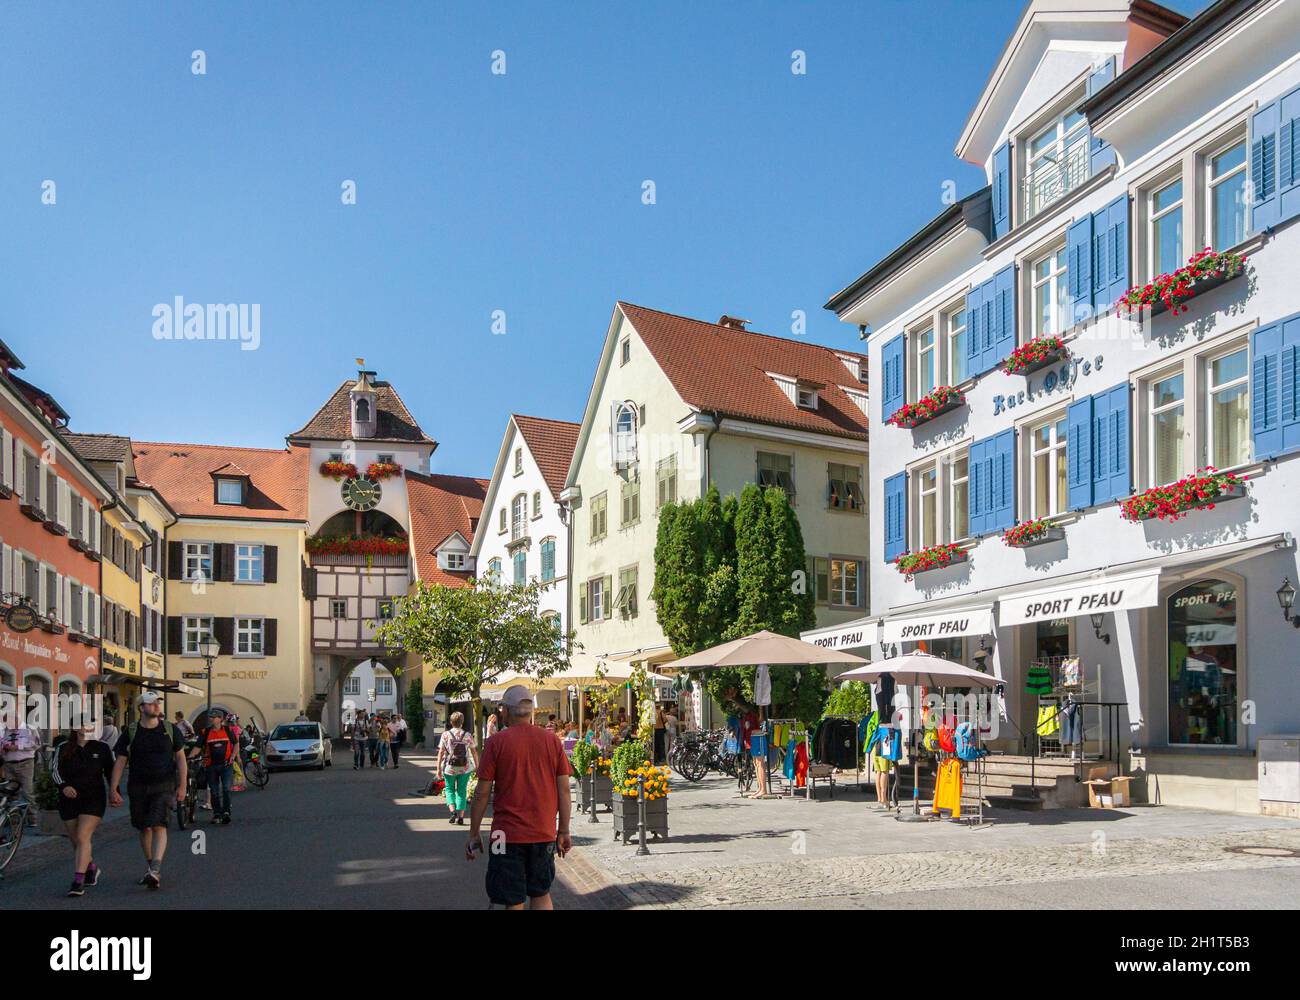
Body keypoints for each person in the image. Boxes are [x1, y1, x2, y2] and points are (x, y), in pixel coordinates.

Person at [465, 685, 571, 910]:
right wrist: (563, 830)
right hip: (543, 832)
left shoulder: (496, 743)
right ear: (530, 710)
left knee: (509, 897)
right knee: (541, 892)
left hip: (504, 834)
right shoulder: (552, 741)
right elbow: (564, 790)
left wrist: (474, 832)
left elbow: (482, 792)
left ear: (505, 711)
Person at [110, 691, 187, 890]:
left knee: (159, 825)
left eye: (157, 703)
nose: (155, 706)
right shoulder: (131, 731)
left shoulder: (170, 729)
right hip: (137, 786)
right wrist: (113, 788)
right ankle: (151, 866)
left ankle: (155, 868)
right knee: (143, 827)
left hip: (164, 784)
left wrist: (183, 785)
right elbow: (120, 760)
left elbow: (180, 758)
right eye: (151, 704)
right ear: (141, 708)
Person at [51, 718, 114, 897]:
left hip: (93, 798)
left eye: (89, 726)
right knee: (76, 841)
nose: (85, 729)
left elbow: (110, 771)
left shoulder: (101, 748)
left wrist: (114, 791)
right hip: (69, 799)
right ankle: (91, 867)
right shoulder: (63, 747)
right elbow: (54, 771)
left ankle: (78, 881)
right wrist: (64, 786)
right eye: (81, 725)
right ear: (73, 727)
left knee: (82, 836)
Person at [196, 708, 238, 825]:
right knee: (214, 791)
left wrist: (233, 756)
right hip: (211, 766)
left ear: (220, 719)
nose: (211, 719)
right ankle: (217, 813)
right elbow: (198, 746)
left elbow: (236, 743)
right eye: (210, 717)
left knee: (226, 788)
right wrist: (189, 757)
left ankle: (226, 812)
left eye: (214, 717)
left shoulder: (228, 730)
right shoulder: (206, 732)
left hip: (226, 765)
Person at [0, 713, 42, 823]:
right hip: (9, 764)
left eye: (9, 723)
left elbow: (36, 744)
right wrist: (3, 749)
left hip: (25, 764)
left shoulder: (29, 729)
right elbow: (3, 742)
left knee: (28, 791)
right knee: (11, 792)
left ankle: (33, 818)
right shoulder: (7, 730)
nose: (8, 726)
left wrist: (18, 747)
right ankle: (12, 818)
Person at [437, 712, 477, 825]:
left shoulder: (445, 735)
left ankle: (452, 812)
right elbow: (473, 751)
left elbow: (441, 752)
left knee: (449, 789)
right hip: (464, 767)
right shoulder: (468, 735)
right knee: (461, 791)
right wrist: (477, 766)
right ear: (462, 722)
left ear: (451, 722)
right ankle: (461, 817)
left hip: (449, 767)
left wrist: (438, 769)